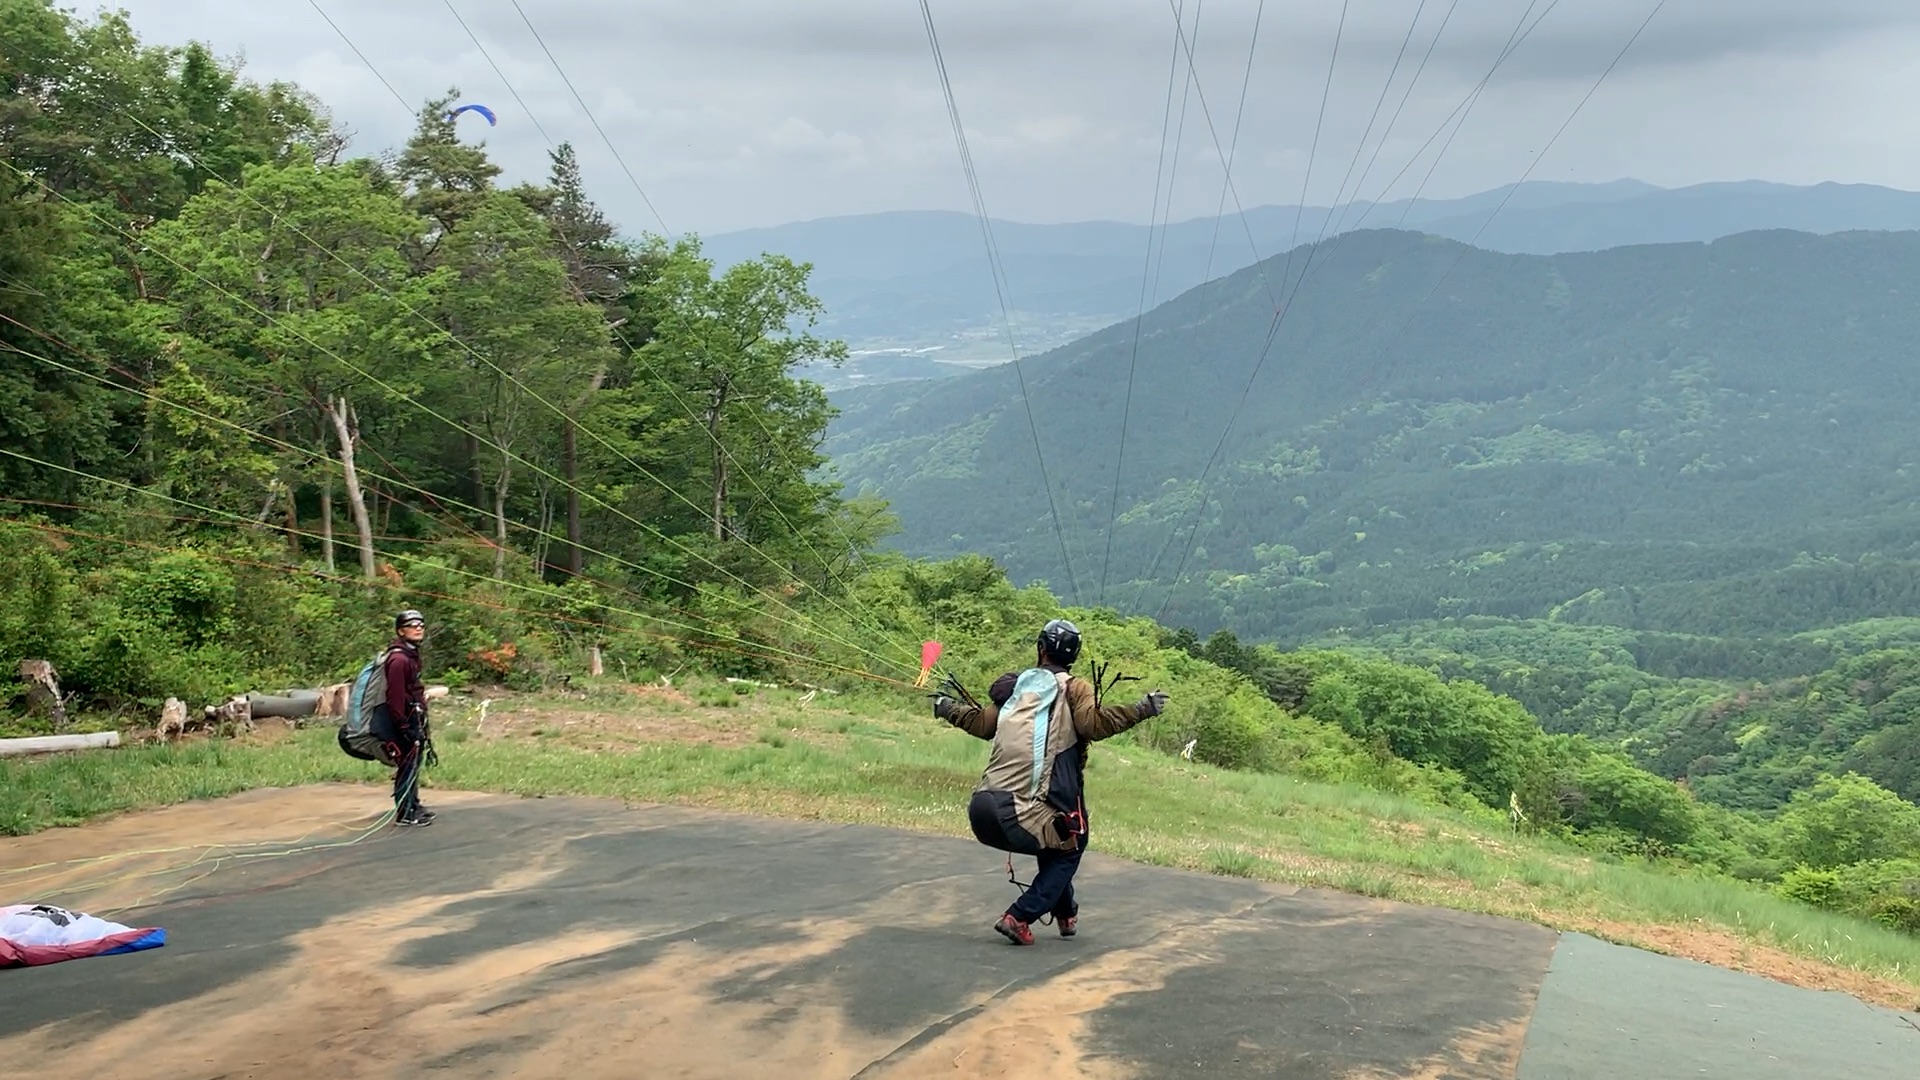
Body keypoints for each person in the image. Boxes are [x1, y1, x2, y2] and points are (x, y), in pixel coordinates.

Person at [933, 618, 1167, 945]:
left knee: (1058, 838)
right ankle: (1019, 916)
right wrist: (1142, 709)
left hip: (981, 809)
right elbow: (1092, 725)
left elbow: (983, 724)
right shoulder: (1074, 687)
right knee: (1072, 845)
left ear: (1041, 649)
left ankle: (1066, 912)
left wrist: (946, 708)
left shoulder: (1018, 687)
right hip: (1017, 815)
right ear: (1073, 655)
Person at [372, 609, 434, 827]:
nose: (418, 628)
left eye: (421, 624)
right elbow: (395, 696)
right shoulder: (398, 659)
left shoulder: (410, 655)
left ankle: (413, 804)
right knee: (407, 764)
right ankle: (405, 813)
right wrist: (404, 726)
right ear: (401, 631)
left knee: (414, 762)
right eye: (412, 625)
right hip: (400, 721)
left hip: (412, 717)